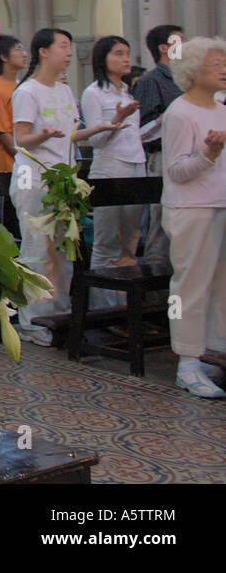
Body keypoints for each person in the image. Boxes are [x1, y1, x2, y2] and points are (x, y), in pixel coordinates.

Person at [10, 28, 128, 345]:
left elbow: (70, 135)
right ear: (44, 51)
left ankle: (59, 316)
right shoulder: (28, 92)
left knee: (63, 254)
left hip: (63, 182)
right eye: (63, 46)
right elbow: (19, 140)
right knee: (37, 252)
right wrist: (43, 136)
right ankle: (33, 321)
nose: (70, 52)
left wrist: (98, 129)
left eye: (71, 46)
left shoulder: (63, 91)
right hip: (33, 179)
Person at [158, 36, 226, 398]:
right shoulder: (180, 112)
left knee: (219, 287)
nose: (224, 69)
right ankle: (187, 364)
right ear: (193, 70)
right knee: (190, 288)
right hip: (190, 208)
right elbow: (177, 171)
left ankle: (213, 355)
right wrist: (210, 154)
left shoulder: (221, 108)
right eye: (216, 64)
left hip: (221, 204)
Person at [80, 36, 144, 309]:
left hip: (136, 163)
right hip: (110, 166)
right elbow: (94, 140)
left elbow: (134, 135)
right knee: (107, 241)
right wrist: (117, 119)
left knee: (130, 241)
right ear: (103, 59)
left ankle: (128, 308)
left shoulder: (127, 92)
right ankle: (104, 310)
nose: (126, 59)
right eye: (118, 53)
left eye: (127, 53)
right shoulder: (94, 92)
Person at [133, 24, 185, 274]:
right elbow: (142, 130)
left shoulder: (186, 80)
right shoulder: (151, 81)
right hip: (162, 157)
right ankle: (155, 281)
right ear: (164, 48)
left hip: (188, 158)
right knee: (162, 222)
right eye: (181, 40)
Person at [0, 35, 26, 174]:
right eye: (18, 49)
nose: (24, 54)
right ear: (4, 57)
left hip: (26, 163)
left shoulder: (24, 86)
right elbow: (3, 134)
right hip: (7, 167)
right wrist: (27, 160)